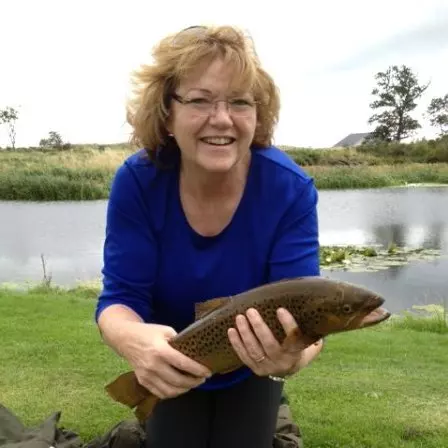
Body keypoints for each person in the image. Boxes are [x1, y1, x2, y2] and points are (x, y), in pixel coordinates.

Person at [95, 24, 324, 448]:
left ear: (257, 115)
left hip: (255, 368)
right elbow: (119, 300)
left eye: (239, 101)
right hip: (173, 360)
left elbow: (308, 311)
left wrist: (292, 358)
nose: (222, 119)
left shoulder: (289, 189)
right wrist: (134, 343)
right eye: (199, 100)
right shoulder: (137, 182)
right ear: (167, 114)